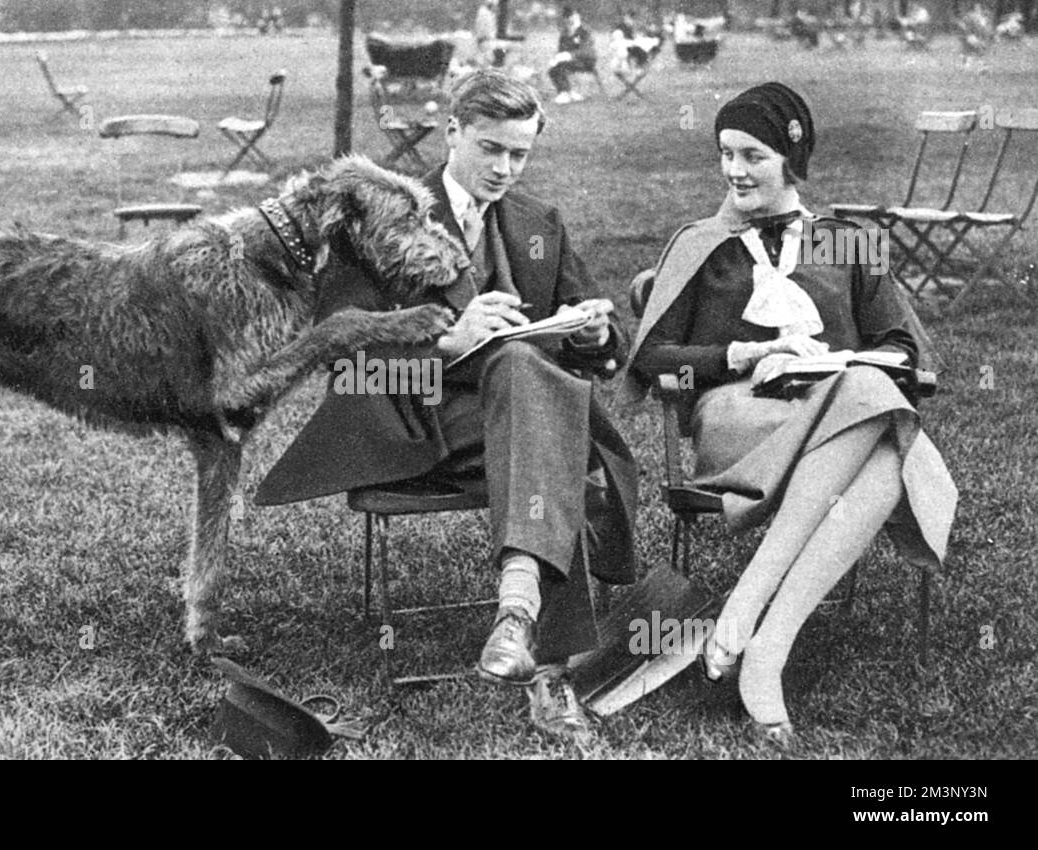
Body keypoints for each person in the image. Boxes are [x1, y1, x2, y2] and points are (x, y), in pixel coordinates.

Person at [256, 69, 637, 736]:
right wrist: (453, 345)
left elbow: (596, 350)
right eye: (490, 148)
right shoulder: (378, 218)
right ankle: (549, 669)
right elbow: (346, 364)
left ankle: (516, 621)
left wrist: (597, 333)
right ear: (453, 132)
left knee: (528, 377)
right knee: (550, 425)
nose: (504, 168)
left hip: (516, 431)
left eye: (519, 154)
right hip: (419, 426)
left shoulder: (537, 223)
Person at [625, 83, 957, 746]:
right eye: (726, 154)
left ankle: (763, 638)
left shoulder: (849, 243)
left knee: (870, 401)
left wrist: (840, 367)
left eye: (753, 155)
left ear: (791, 162)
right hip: (738, 420)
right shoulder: (703, 246)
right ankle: (755, 624)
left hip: (834, 411)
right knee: (887, 438)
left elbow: (899, 347)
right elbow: (654, 358)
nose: (734, 171)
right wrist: (746, 353)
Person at [548, 7, 597, 104]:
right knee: (552, 69)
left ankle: (566, 93)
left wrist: (569, 55)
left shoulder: (584, 31)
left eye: (572, 16)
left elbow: (587, 51)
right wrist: (556, 58)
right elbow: (561, 50)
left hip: (586, 61)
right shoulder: (564, 33)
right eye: (567, 18)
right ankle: (566, 92)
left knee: (561, 67)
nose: (569, 20)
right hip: (569, 61)